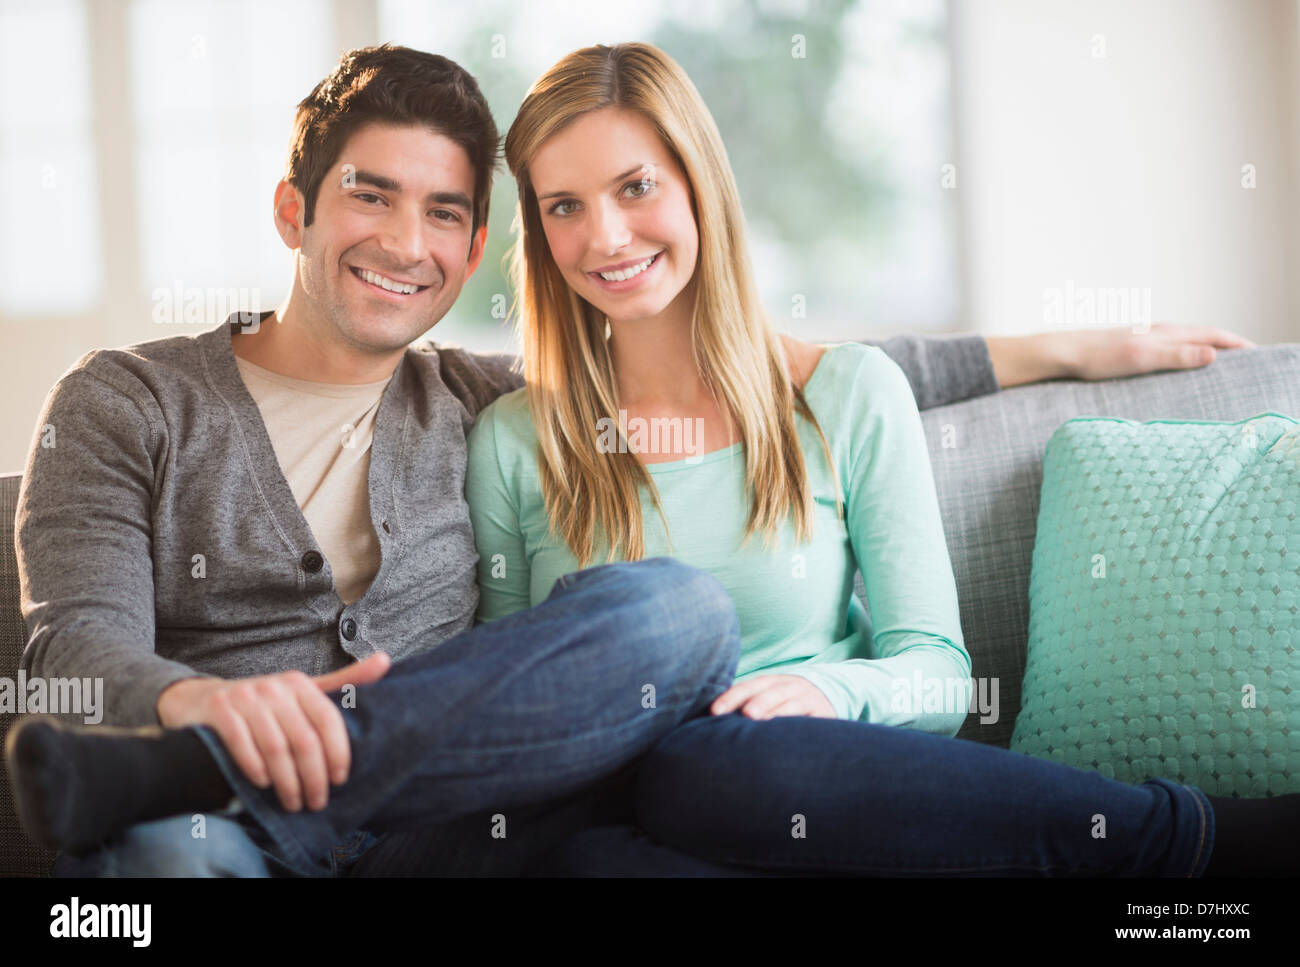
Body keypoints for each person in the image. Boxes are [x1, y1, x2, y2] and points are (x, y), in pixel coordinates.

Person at [3, 42, 1262, 878]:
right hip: (266, 830)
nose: (406, 241)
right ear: (296, 210)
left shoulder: (473, 398)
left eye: (444, 210)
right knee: (164, 868)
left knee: (671, 615)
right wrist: (199, 707)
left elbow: (805, 378)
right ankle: (196, 778)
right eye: (368, 196)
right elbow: (70, 646)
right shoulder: (141, 404)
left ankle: (1186, 848)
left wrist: (1060, 346)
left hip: (528, 822)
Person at [458, 41, 1297, 876]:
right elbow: (516, 710)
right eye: (563, 206)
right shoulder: (515, 440)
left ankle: (1193, 843)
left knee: (708, 765)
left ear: (699, 186)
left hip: (805, 783)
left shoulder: (849, 393)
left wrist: (831, 692)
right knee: (596, 860)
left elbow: (938, 672)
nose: (604, 235)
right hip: (632, 823)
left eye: (635, 186)